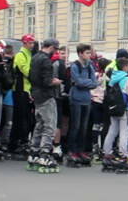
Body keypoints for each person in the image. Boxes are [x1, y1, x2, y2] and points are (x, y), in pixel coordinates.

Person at [25, 38, 63, 173]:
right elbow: (47, 81)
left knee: (39, 124)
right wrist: (56, 82)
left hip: (36, 94)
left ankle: (33, 153)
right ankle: (45, 154)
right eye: (56, 49)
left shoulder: (34, 57)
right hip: (46, 95)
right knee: (49, 125)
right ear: (52, 47)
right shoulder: (46, 61)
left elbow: (29, 76)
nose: (56, 52)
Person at [101, 49, 128, 174]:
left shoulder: (113, 78)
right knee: (124, 133)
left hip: (114, 108)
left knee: (112, 131)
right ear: (126, 66)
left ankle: (107, 154)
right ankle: (123, 156)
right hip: (127, 109)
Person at [66, 43, 98, 167]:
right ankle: (71, 151)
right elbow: (78, 82)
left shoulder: (90, 66)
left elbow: (95, 83)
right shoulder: (75, 66)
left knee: (84, 127)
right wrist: (88, 82)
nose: (89, 55)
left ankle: (80, 150)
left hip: (86, 99)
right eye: (87, 53)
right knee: (75, 126)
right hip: (76, 99)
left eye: (90, 53)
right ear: (80, 53)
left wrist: (87, 82)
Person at [9, 34, 36, 158]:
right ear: (24, 43)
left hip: (27, 90)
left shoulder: (30, 54)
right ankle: (15, 144)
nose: (32, 45)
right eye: (30, 43)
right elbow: (26, 71)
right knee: (20, 118)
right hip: (20, 90)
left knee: (27, 118)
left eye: (32, 43)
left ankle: (23, 141)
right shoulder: (21, 55)